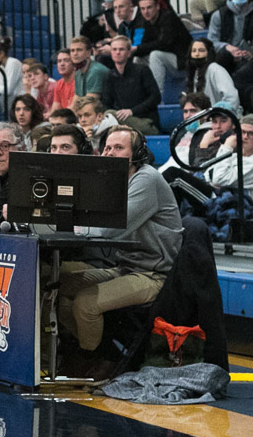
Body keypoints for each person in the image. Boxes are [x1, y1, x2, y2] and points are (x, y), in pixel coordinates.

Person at [55, 125, 183, 371]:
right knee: (56, 289)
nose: (109, 153)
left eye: (118, 148)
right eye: (107, 148)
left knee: (85, 303)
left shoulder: (146, 178)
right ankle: (105, 349)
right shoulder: (113, 179)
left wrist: (68, 224)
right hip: (125, 268)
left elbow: (110, 228)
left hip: (152, 275)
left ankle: (96, 361)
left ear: (137, 154)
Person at [133, 0, 191, 99]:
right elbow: (141, 44)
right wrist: (131, 50)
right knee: (138, 58)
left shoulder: (169, 18)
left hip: (182, 61)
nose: (146, 12)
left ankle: (156, 95)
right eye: (143, 9)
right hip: (166, 61)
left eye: (149, 7)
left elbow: (164, 44)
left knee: (156, 55)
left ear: (157, 6)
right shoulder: (144, 21)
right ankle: (138, 94)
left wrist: (137, 48)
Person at [102, 37, 162, 134]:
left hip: (146, 122)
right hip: (122, 122)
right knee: (105, 115)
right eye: (114, 49)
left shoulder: (142, 70)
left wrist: (132, 111)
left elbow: (156, 97)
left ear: (129, 53)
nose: (117, 52)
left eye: (121, 49)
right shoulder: (109, 75)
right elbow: (106, 102)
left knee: (109, 114)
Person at [184, 39, 238, 112]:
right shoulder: (194, 72)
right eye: (194, 51)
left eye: (201, 50)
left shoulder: (215, 69)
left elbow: (231, 97)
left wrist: (221, 115)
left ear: (209, 53)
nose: (197, 54)